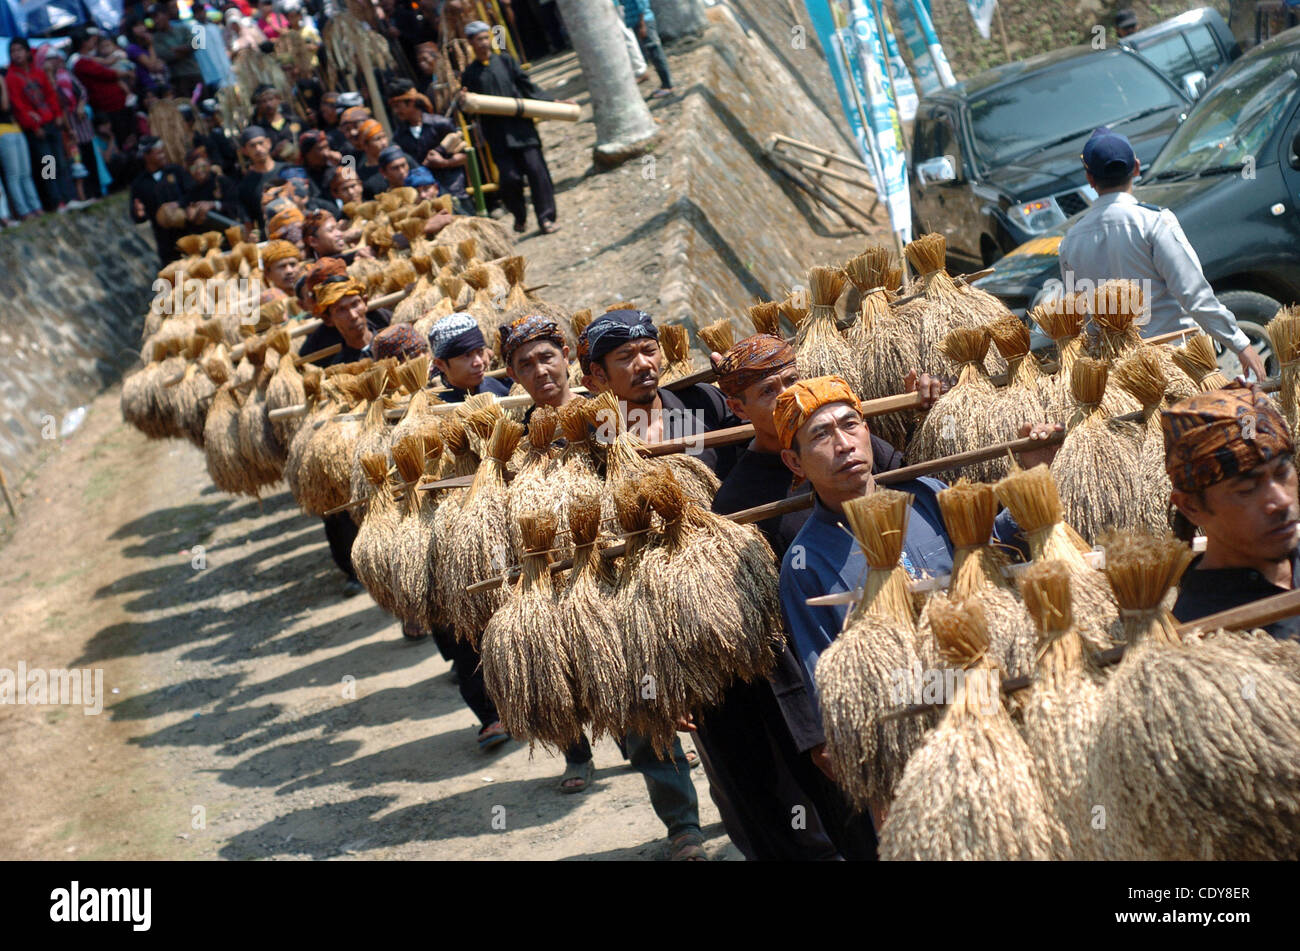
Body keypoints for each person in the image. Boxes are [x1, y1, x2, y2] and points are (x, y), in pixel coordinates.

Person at [695, 336, 943, 860]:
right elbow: (777, 633)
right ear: (796, 460)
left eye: (851, 426)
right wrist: (815, 732)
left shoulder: (913, 489)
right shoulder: (744, 509)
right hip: (861, 684)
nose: (789, 392)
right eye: (770, 389)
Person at [1058, 127, 1267, 381]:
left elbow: (1080, 319)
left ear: (1090, 179)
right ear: (1136, 167)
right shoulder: (1153, 223)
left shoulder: (1070, 241)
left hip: (1120, 377)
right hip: (1177, 367)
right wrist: (1241, 345)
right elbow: (1194, 295)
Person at [1165, 382, 1300, 640]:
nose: (1281, 501)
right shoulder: (1202, 632)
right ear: (1191, 506)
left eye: (1282, 473)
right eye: (1247, 489)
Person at [583, 308, 741, 478]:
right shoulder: (592, 440)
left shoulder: (702, 401)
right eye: (626, 356)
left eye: (649, 351)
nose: (644, 364)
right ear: (599, 372)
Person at [458, 19, 564, 234]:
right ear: (470, 43)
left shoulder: (506, 61)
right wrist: (463, 102)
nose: (484, 43)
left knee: (537, 172)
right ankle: (519, 216)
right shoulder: (469, 74)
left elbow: (527, 86)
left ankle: (546, 218)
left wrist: (553, 103)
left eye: (486, 38)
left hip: (522, 129)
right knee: (510, 179)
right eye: (478, 40)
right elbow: (468, 111)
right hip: (497, 135)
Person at [6, 39, 75, 212]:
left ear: (28, 52)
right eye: (13, 51)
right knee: (47, 165)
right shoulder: (11, 78)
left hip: (51, 122)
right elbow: (18, 105)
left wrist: (58, 114)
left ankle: (69, 198)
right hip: (36, 128)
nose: (17, 54)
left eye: (20, 50)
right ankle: (57, 201)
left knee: (60, 161)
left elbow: (50, 95)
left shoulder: (38, 72)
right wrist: (33, 126)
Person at [388, 84, 469, 205]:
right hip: (425, 196)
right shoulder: (399, 136)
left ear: (410, 103)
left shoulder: (441, 124)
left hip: (453, 190)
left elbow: (465, 156)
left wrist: (444, 163)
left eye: (398, 106)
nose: (396, 111)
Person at [69, 30, 134, 149]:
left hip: (116, 103)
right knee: (122, 138)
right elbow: (106, 74)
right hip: (109, 106)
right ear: (84, 43)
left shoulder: (89, 58)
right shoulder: (80, 62)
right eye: (91, 39)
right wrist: (125, 74)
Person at [130, 136, 189, 263]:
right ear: (147, 156)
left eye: (163, 152)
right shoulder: (139, 184)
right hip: (166, 243)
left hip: (189, 233)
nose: (163, 155)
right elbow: (138, 217)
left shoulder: (175, 171)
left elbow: (192, 193)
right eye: (159, 153)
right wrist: (139, 213)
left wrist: (179, 204)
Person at [428, 312, 511, 399]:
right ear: (440, 364)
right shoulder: (440, 408)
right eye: (466, 355)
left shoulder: (504, 388)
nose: (479, 362)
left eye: (480, 351)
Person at [0, 72, 42, 221]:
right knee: (14, 175)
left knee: (26, 172)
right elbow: (4, 106)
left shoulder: (5, 74)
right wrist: (3, 84)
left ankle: (36, 207)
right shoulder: (2, 79)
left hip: (16, 128)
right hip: (3, 132)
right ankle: (23, 211)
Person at [235, 125, 284, 233]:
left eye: (260, 143)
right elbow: (249, 224)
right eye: (252, 146)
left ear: (268, 143)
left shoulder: (287, 170)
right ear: (245, 151)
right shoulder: (245, 186)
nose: (258, 149)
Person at [620, 0, 673, 98]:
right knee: (652, 53)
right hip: (638, 22)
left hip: (643, 22)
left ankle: (668, 86)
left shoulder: (643, 21)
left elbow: (642, 5)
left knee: (655, 52)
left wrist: (642, 25)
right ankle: (665, 84)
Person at [151, 2, 203, 98]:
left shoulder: (182, 28)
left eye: (157, 16)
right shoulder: (156, 38)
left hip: (194, 73)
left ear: (166, 14)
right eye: (153, 18)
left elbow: (195, 44)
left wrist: (178, 49)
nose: (155, 21)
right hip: (178, 79)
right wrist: (186, 49)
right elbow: (167, 55)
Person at [181, 146, 240, 227]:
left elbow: (236, 206)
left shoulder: (221, 181)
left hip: (232, 228)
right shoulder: (192, 192)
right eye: (193, 168)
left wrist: (213, 204)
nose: (198, 171)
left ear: (208, 164)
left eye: (201, 166)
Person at [250, 83, 303, 150]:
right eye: (263, 101)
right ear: (258, 106)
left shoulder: (294, 121)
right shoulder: (259, 132)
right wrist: (274, 153)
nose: (268, 104)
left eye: (271, 99)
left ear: (278, 100)